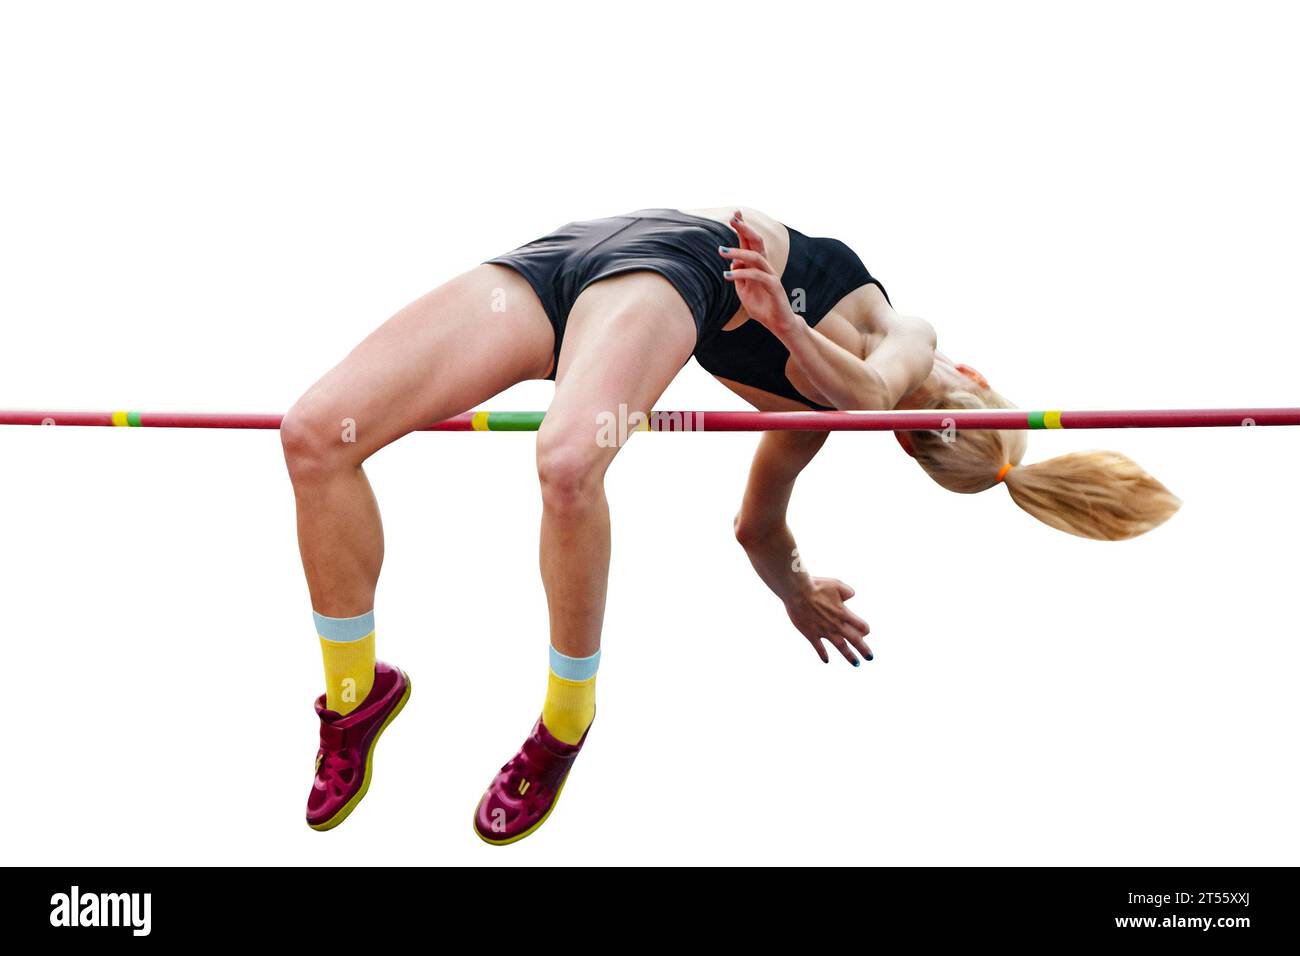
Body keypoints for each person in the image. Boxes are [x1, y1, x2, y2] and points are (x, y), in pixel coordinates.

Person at [279, 208, 1180, 842]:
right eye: (942, 398)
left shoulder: (831, 410)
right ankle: (358, 696)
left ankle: (564, 718)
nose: (921, 398)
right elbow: (870, 392)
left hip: (670, 279)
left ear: (904, 446)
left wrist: (795, 591)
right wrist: (794, 334)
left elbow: (773, 508)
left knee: (566, 463)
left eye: (918, 421)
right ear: (976, 376)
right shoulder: (905, 333)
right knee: (316, 434)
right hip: (584, 252)